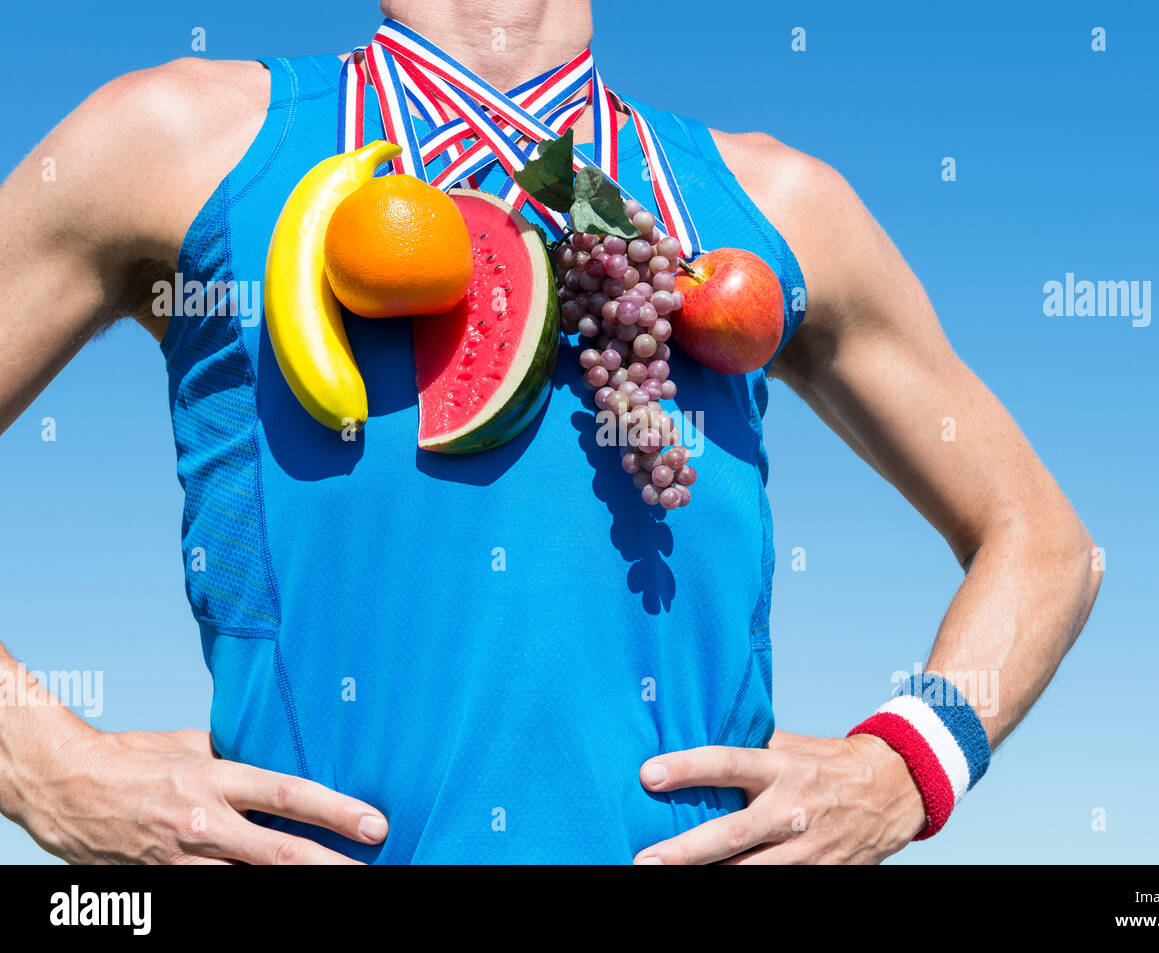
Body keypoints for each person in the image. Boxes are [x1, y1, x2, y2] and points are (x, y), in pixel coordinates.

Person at [0, 0, 1100, 864]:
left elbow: (1044, 544)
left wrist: (907, 768)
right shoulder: (176, 143)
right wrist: (46, 764)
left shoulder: (777, 202)